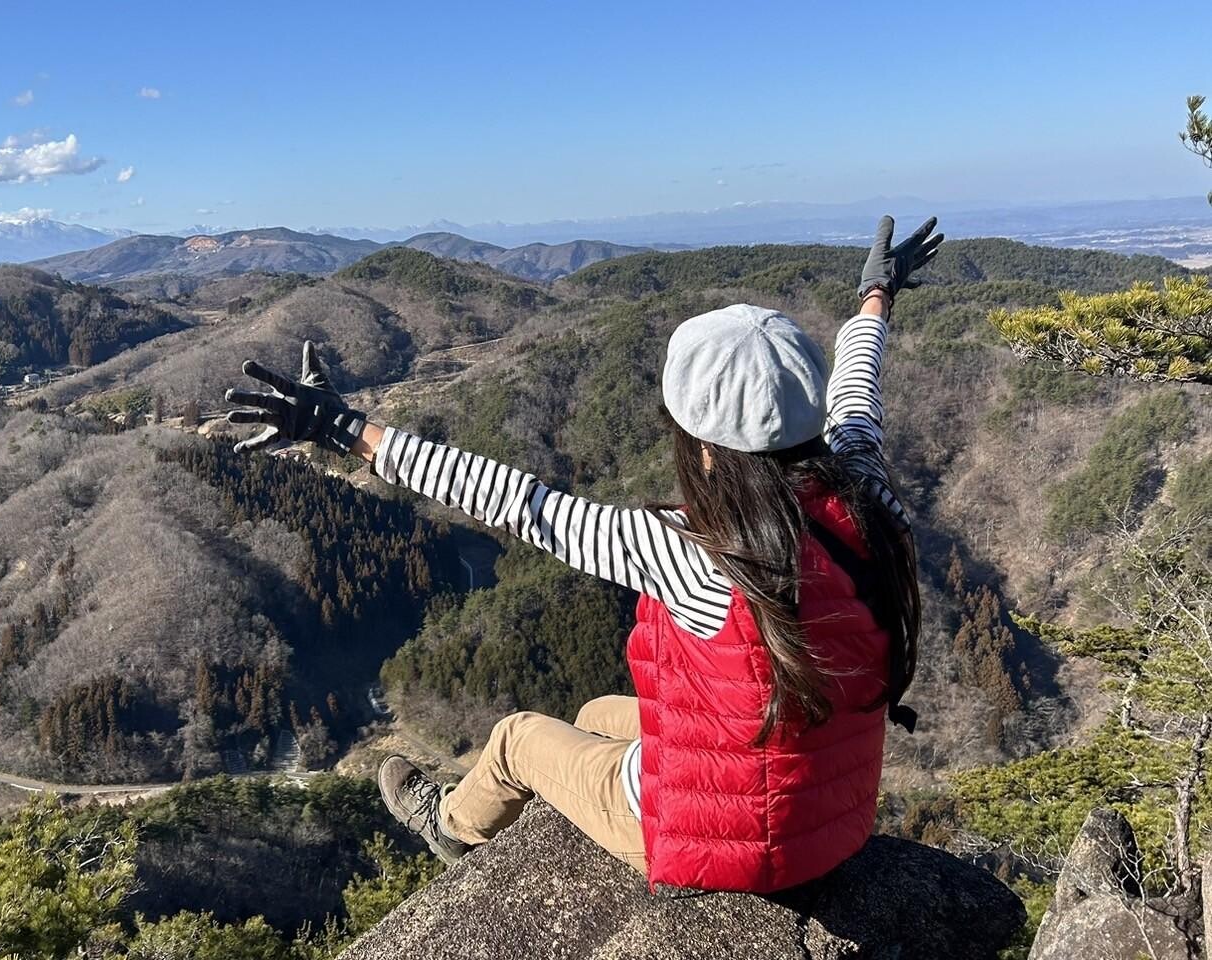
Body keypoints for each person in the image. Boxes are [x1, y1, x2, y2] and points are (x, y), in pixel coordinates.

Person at [221, 216, 938, 894]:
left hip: (732, 844)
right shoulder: (864, 495)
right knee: (596, 710)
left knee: (515, 741)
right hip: (833, 819)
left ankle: (446, 824)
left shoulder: (696, 552)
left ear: (708, 448)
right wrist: (876, 294)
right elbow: (856, 385)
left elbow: (516, 503)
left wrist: (349, 431)